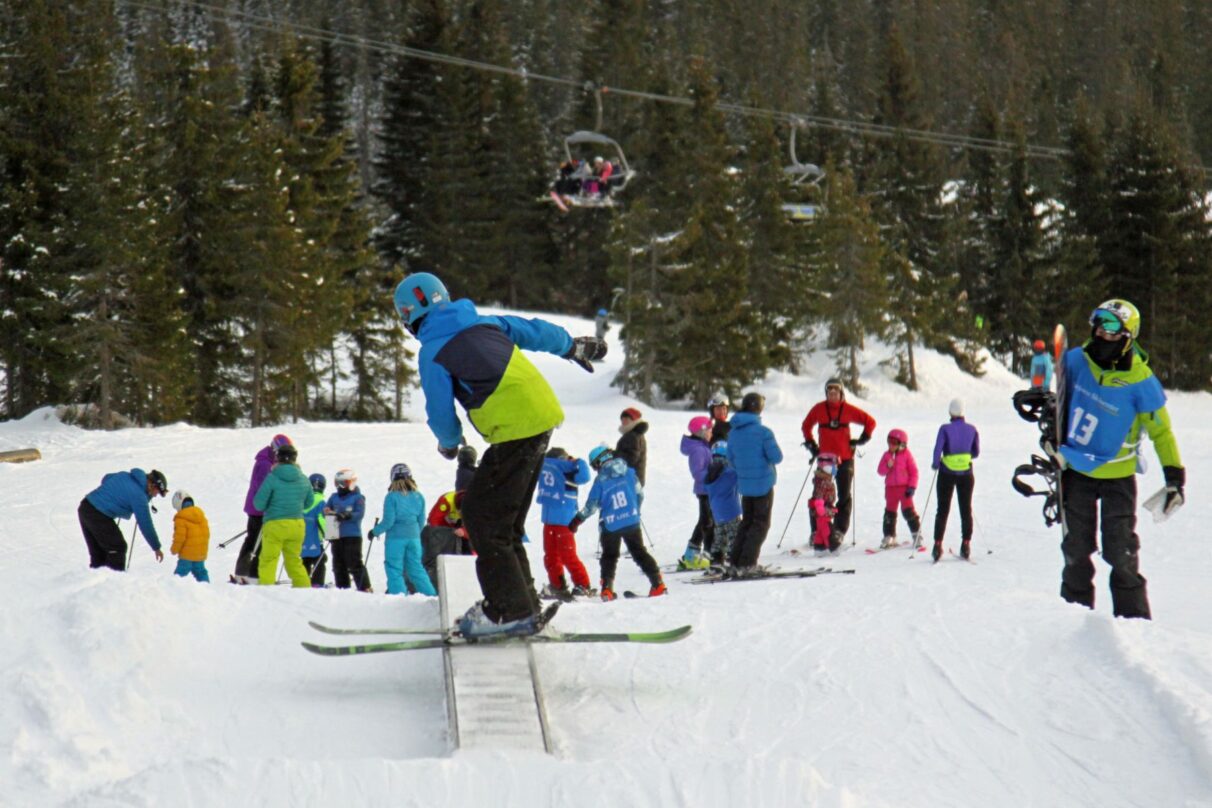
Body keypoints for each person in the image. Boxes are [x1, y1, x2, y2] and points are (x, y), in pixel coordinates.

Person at [393, 271, 606, 638]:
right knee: (503, 522)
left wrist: (449, 442)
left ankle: (507, 610)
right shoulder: (483, 321)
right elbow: (533, 330)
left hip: (515, 429)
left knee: (481, 517)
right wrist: (570, 346)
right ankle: (523, 603)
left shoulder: (432, 352)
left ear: (409, 316)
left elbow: (440, 411)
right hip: (541, 416)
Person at [1053, 299, 1184, 619]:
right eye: (1097, 325)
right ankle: (1072, 617)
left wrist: (1174, 475)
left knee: (1120, 551)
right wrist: (1037, 399)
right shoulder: (1076, 361)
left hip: (1118, 478)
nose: (1101, 333)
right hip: (1076, 470)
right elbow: (1058, 393)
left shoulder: (1141, 381)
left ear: (1129, 334)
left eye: (1111, 327)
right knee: (1076, 550)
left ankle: (1134, 623)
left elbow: (1162, 432)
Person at [569, 445, 664, 601]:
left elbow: (592, 505)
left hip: (610, 525)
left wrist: (577, 520)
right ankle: (657, 584)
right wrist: (635, 511)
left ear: (599, 462)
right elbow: (639, 494)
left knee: (609, 556)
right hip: (631, 521)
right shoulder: (629, 472)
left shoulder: (600, 480)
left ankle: (607, 589)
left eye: (594, 466)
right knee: (639, 553)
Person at [801, 378, 876, 549]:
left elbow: (870, 422)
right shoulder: (819, 409)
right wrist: (812, 444)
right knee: (819, 497)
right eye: (829, 392)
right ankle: (816, 531)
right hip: (825, 459)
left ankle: (839, 531)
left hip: (845, 459)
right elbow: (806, 426)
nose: (832, 395)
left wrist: (863, 439)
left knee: (844, 495)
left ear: (842, 393)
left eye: (836, 392)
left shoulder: (848, 409)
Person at [726, 392, 783, 572]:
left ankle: (734, 561)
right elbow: (777, 457)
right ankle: (747, 563)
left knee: (747, 522)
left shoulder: (733, 433)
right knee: (760, 524)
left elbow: (731, 459)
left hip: (745, 485)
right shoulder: (764, 432)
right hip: (763, 485)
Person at [78, 468, 167, 571]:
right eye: (157, 492)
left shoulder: (126, 475)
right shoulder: (139, 496)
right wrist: (156, 547)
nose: (156, 495)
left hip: (85, 507)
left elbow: (106, 478)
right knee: (118, 547)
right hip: (98, 515)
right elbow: (145, 524)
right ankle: (115, 582)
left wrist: (118, 496)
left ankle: (97, 582)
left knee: (99, 554)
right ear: (152, 484)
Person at [368, 463, 435, 596]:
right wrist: (415, 534)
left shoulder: (392, 497)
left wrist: (375, 531)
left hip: (395, 539)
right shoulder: (418, 496)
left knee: (394, 569)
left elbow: (389, 521)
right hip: (414, 538)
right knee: (416, 569)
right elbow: (421, 521)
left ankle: (398, 597)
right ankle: (431, 596)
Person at [536, 447, 594, 600]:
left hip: (563, 522)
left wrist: (579, 462)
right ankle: (557, 585)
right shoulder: (559, 471)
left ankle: (583, 585)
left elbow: (585, 476)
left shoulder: (568, 473)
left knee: (567, 555)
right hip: (551, 521)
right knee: (550, 556)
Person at [252, 441, 313, 588]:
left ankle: (266, 591)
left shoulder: (272, 477)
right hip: (297, 525)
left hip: (275, 524)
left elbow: (258, 504)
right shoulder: (304, 479)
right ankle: (304, 589)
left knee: (268, 559)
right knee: (294, 560)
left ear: (277, 458)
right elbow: (309, 502)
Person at [234, 434, 291, 584]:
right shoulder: (265, 463)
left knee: (255, 541)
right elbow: (264, 487)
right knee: (255, 542)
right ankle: (248, 574)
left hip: (259, 509)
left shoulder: (268, 461)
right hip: (259, 510)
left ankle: (247, 573)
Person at [930, 399, 980, 561]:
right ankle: (966, 544)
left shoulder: (945, 429)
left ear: (950, 412)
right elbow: (976, 452)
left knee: (942, 509)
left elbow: (938, 450)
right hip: (966, 474)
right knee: (966, 509)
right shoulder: (972, 429)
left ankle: (937, 545)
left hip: (946, 473)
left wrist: (936, 463)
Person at [326, 468, 372, 591]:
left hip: (352, 536)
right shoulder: (334, 497)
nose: (340, 486)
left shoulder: (357, 498)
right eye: (338, 483)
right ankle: (342, 587)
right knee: (338, 564)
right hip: (336, 535)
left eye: (344, 483)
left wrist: (347, 515)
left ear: (351, 483)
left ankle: (364, 587)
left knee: (354, 562)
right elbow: (326, 508)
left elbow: (359, 513)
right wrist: (328, 513)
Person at [876, 429, 923, 549]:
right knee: (889, 513)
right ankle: (889, 536)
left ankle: (916, 534)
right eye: (889, 442)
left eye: (894, 442)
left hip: (904, 489)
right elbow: (880, 471)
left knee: (908, 512)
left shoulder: (907, 455)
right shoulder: (886, 456)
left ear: (902, 444)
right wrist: (887, 466)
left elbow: (914, 472)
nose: (890, 445)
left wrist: (912, 486)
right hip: (890, 489)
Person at [678, 415, 715, 569]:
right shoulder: (699, 450)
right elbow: (698, 473)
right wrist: (714, 473)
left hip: (709, 489)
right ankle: (695, 554)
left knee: (707, 520)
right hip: (704, 490)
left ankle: (696, 552)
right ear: (702, 432)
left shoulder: (703, 446)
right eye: (710, 430)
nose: (712, 432)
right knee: (706, 521)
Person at [422, 489, 473, 593]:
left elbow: (479, 528)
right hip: (449, 533)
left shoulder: (476, 504)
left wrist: (464, 532)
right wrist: (449, 532)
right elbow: (433, 521)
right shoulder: (446, 501)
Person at [704, 442, 741, 566]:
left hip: (716, 510)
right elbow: (739, 479)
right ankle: (734, 556)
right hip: (731, 509)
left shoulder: (710, 472)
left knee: (719, 535)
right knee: (734, 534)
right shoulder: (729, 472)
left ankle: (716, 557)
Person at [169, 490, 210, 582]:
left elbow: (180, 538)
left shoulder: (181, 519)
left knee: (179, 576)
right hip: (200, 554)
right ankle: (207, 591)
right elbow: (206, 534)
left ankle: (173, 592)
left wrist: (174, 549)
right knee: (201, 573)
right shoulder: (202, 517)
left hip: (186, 556)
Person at [808, 453, 839, 554]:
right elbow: (819, 496)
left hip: (824, 510)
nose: (835, 469)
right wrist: (820, 508)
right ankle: (833, 547)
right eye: (833, 466)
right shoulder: (823, 481)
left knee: (821, 531)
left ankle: (820, 548)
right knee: (828, 530)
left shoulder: (825, 479)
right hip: (823, 512)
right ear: (826, 467)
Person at [301, 473, 328, 587]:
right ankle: (317, 583)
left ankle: (303, 581)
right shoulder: (321, 502)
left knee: (305, 560)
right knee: (320, 560)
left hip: (301, 539)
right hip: (315, 540)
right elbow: (322, 519)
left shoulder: (303, 501)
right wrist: (330, 533)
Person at [614, 407, 648, 485]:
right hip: (635, 479)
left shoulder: (632, 435)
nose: (623, 421)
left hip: (630, 479)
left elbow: (631, 458)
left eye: (626, 419)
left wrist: (613, 454)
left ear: (633, 420)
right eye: (622, 419)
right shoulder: (637, 434)